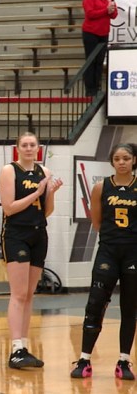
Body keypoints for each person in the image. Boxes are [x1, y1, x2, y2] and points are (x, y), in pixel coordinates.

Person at [71, 143, 137, 380]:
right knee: (95, 304)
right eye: (117, 158)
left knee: (130, 308)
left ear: (134, 160)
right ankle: (84, 359)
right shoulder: (101, 187)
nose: (121, 162)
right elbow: (97, 222)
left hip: (133, 254)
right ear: (112, 162)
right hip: (108, 252)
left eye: (126, 158)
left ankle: (124, 361)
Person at [0, 131, 62, 369]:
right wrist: (36, 192)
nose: (28, 148)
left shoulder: (44, 172)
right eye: (24, 145)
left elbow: (47, 211)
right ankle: (16, 348)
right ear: (17, 148)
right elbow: (9, 208)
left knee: (29, 294)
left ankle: (24, 346)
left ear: (38, 148)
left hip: (39, 234)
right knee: (18, 293)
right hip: (17, 234)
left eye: (32, 145)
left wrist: (50, 193)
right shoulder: (9, 170)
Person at [82, 0, 117, 97]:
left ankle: (97, 86)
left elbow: (114, 15)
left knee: (100, 61)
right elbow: (90, 14)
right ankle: (89, 88)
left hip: (104, 32)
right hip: (91, 33)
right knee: (91, 60)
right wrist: (106, 11)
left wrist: (112, 10)